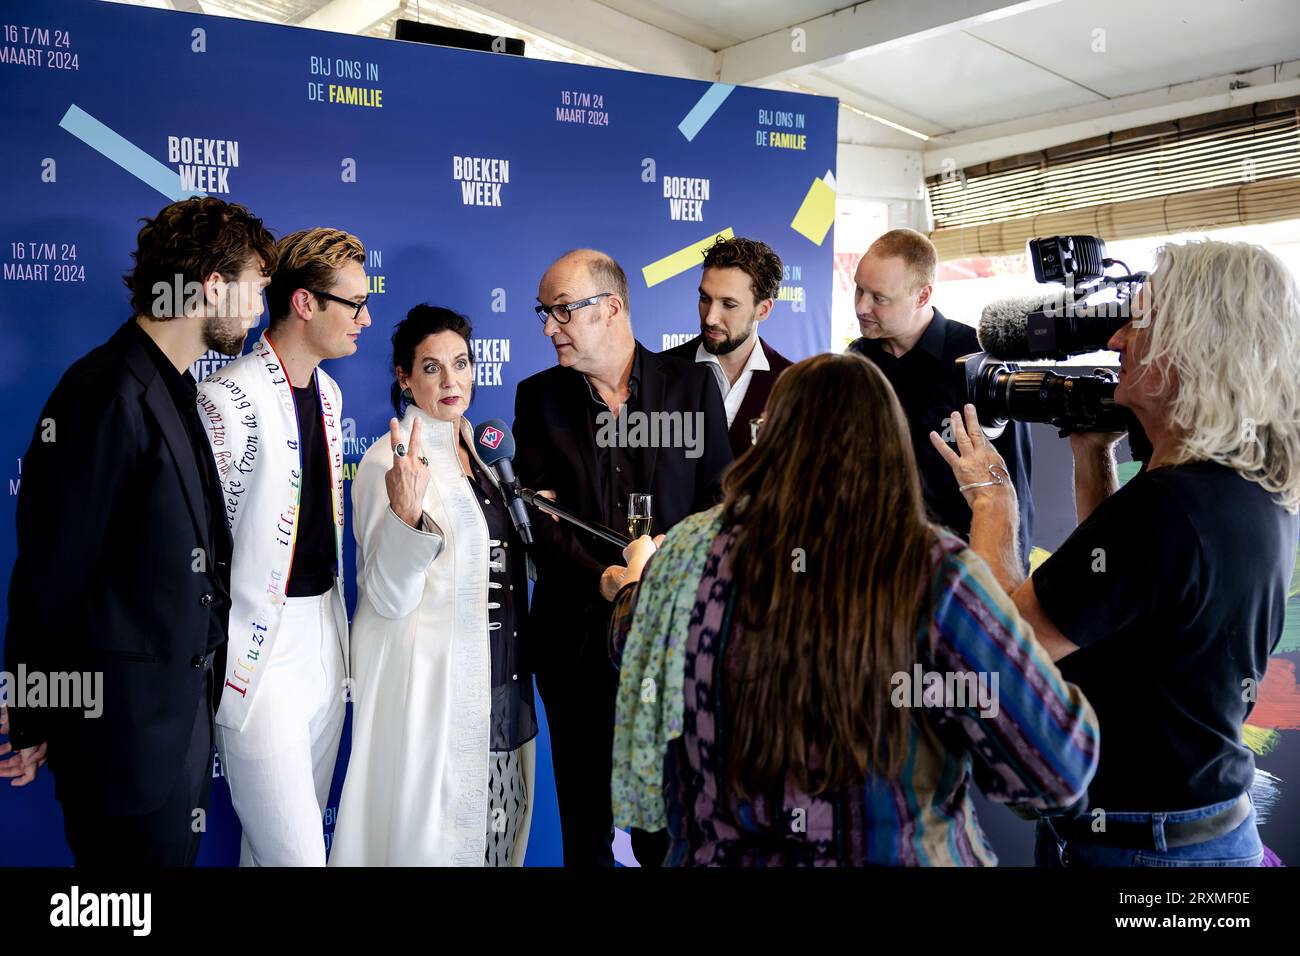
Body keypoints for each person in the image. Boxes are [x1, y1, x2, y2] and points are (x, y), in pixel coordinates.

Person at [608, 352, 1099, 865]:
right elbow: (1056, 770)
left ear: (769, 441)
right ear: (888, 449)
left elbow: (628, 643)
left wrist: (639, 577)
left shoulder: (686, 555)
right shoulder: (933, 574)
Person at [933, 239, 1300, 867]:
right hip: (1199, 831)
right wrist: (1092, 455)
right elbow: (1115, 598)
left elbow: (1004, 648)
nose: (1116, 341)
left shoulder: (1168, 507)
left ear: (1193, 348)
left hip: (1141, 851)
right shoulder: (1240, 489)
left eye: (1140, 324)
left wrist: (993, 502)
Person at [0, 197, 275, 865]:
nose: (259, 309)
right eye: (256, 287)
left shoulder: (173, 388)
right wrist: (35, 709)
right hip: (121, 746)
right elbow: (51, 572)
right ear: (212, 286)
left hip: (172, 735)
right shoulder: (102, 392)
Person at [513, 248, 732, 866]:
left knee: (663, 834)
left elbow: (721, 501)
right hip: (575, 648)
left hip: (668, 648)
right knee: (586, 832)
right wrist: (608, 580)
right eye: (543, 314)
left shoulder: (693, 386)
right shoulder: (540, 400)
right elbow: (540, 526)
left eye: (561, 311)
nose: (549, 328)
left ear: (611, 308)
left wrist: (667, 559)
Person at [331, 306, 537, 866]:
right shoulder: (386, 462)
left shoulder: (490, 457)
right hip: (437, 702)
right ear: (404, 377)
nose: (451, 381)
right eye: (431, 367)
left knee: (500, 844)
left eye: (461, 364)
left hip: (503, 686)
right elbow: (387, 596)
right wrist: (406, 515)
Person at [196, 228, 369, 866]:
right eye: (353, 304)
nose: (365, 317)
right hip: (256, 652)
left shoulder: (330, 393)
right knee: (298, 859)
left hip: (326, 635)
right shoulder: (225, 398)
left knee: (269, 855)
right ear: (304, 303)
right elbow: (203, 548)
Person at [848, 229, 1032, 564]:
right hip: (874, 567)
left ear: (922, 296)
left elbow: (1011, 485)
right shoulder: (855, 362)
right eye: (859, 289)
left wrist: (1005, 586)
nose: (861, 306)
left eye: (879, 298)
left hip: (961, 568)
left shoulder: (981, 363)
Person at [663, 236, 793, 456]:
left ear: (763, 310)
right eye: (705, 299)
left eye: (728, 304)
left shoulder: (791, 384)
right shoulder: (659, 372)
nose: (711, 318)